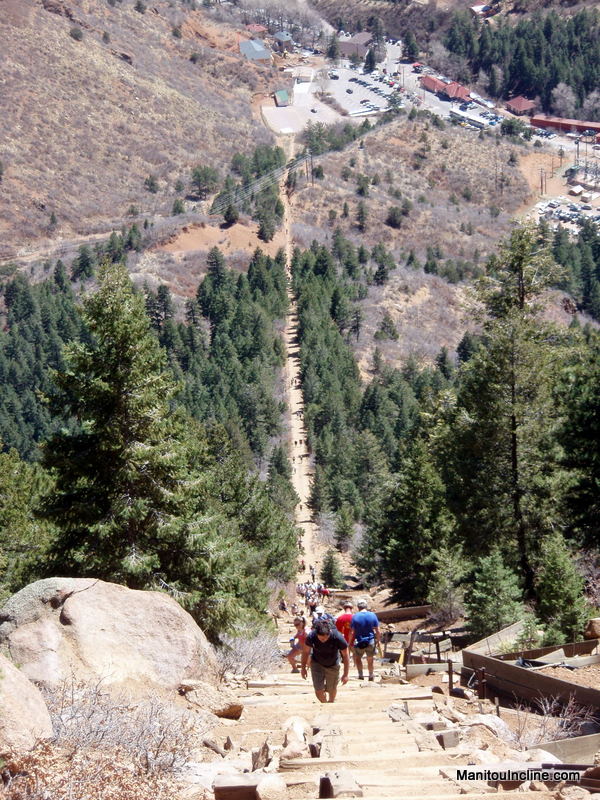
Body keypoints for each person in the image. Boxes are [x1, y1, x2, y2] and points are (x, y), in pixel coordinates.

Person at [301, 618, 349, 703]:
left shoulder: (338, 637)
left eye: (325, 638)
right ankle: (324, 704)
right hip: (317, 663)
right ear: (317, 634)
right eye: (321, 638)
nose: (323, 640)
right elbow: (305, 652)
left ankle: (331, 702)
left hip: (333, 663)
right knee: (318, 690)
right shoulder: (311, 636)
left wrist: (345, 674)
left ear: (329, 633)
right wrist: (303, 668)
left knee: (332, 689)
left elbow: (346, 656)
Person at [348, 598, 381, 681]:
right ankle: (370, 675)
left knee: (358, 658)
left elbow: (352, 632)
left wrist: (349, 642)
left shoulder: (355, 616)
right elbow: (377, 630)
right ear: (366, 606)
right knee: (370, 659)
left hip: (359, 641)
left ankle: (361, 675)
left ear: (358, 607)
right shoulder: (372, 615)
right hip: (370, 641)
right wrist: (379, 641)